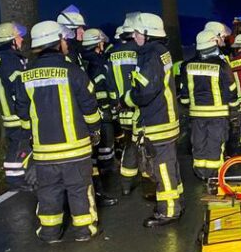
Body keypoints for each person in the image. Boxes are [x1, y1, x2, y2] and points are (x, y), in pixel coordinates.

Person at [14, 21, 101, 243]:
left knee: (48, 192)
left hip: (44, 152)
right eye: (63, 39)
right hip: (75, 148)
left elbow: (22, 112)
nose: (66, 43)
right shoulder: (73, 71)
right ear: (57, 42)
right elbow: (90, 106)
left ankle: (50, 231)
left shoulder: (25, 76)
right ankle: (84, 230)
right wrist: (94, 130)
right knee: (79, 189)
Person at [124, 12, 183, 227]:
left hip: (157, 121)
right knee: (171, 165)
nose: (135, 37)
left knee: (162, 168)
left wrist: (128, 98)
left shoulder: (150, 57)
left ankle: (168, 211)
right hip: (166, 117)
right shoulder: (161, 52)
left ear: (148, 34)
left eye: (138, 33)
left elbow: (145, 92)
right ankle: (176, 202)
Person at [179, 29, 238, 179]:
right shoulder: (222, 65)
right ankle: (213, 175)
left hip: (197, 113)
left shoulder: (187, 65)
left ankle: (200, 172)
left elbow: (184, 93)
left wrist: (187, 103)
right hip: (218, 114)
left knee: (198, 142)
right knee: (215, 142)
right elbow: (231, 88)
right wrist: (233, 105)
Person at [78, 28, 119, 206]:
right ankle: (99, 194)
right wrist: (109, 109)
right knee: (102, 156)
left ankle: (96, 193)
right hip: (101, 118)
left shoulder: (82, 60)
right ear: (98, 44)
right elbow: (102, 91)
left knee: (94, 158)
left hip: (89, 117)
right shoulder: (97, 63)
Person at [0, 22, 32, 190]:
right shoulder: (8, 59)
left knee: (20, 141)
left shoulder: (3, 57)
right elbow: (17, 85)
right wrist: (25, 107)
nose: (21, 39)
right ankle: (15, 179)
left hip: (12, 110)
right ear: (11, 40)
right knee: (20, 141)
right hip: (15, 112)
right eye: (18, 36)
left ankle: (18, 175)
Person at [108, 16, 142, 195]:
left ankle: (126, 185)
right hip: (138, 109)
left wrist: (116, 104)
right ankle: (149, 184)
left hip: (122, 111)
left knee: (129, 145)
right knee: (144, 146)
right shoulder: (141, 52)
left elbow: (110, 83)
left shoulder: (112, 55)